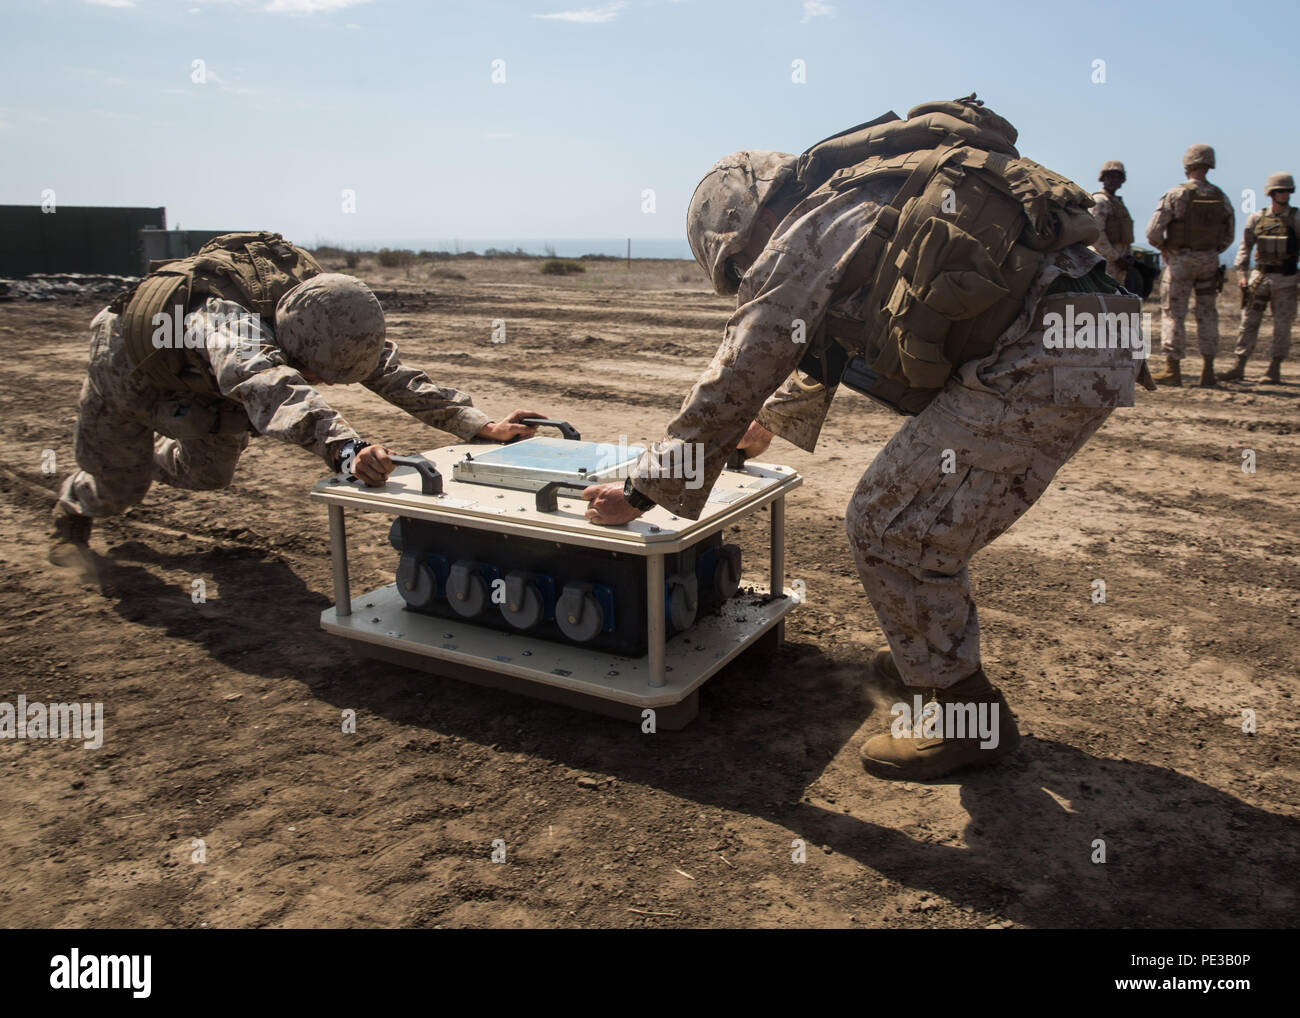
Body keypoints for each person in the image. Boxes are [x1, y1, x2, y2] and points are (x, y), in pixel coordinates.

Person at [580, 97, 1146, 781]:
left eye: (739, 264)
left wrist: (643, 490)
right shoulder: (865, 190)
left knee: (891, 525)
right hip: (1090, 332)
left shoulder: (804, 227)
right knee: (923, 521)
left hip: (1047, 354)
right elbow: (821, 343)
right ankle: (928, 660)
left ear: (748, 221)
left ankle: (969, 717)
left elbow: (742, 363)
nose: (747, 272)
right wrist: (763, 428)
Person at [52, 233, 541, 558]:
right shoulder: (227, 323)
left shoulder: (323, 306)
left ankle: (144, 458)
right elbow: (268, 384)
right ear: (288, 344)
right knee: (120, 489)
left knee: (207, 474)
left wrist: (477, 424)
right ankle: (76, 501)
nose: (323, 384)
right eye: (316, 374)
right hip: (128, 373)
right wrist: (345, 450)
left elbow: (387, 369)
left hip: (205, 385)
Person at [1145, 145, 1235, 387]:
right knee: (1207, 315)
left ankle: (1173, 369)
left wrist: (1165, 247)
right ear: (1209, 164)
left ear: (1187, 165)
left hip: (1180, 262)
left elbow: (1152, 232)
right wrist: (1212, 252)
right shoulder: (1220, 196)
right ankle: (1208, 371)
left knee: (1173, 314)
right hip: (1209, 262)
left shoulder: (1175, 194)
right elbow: (1229, 234)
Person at [1222, 173, 1298, 384]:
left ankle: (1274, 368)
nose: (1285, 195)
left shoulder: (1296, 219)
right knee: (1248, 322)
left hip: (1286, 278)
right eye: (1281, 191)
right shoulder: (1256, 218)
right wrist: (1241, 275)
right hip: (1260, 276)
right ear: (1271, 193)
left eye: (1288, 191)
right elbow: (1245, 248)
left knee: (1282, 325)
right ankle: (1239, 365)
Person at [1090, 160, 1135, 286]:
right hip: (1105, 261)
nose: (1114, 180)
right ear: (1103, 178)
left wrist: (1128, 256)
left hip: (1119, 262)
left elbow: (1125, 235)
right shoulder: (1099, 201)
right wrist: (1116, 258)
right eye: (1110, 176)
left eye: (1118, 177)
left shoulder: (1117, 203)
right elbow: (1097, 236)